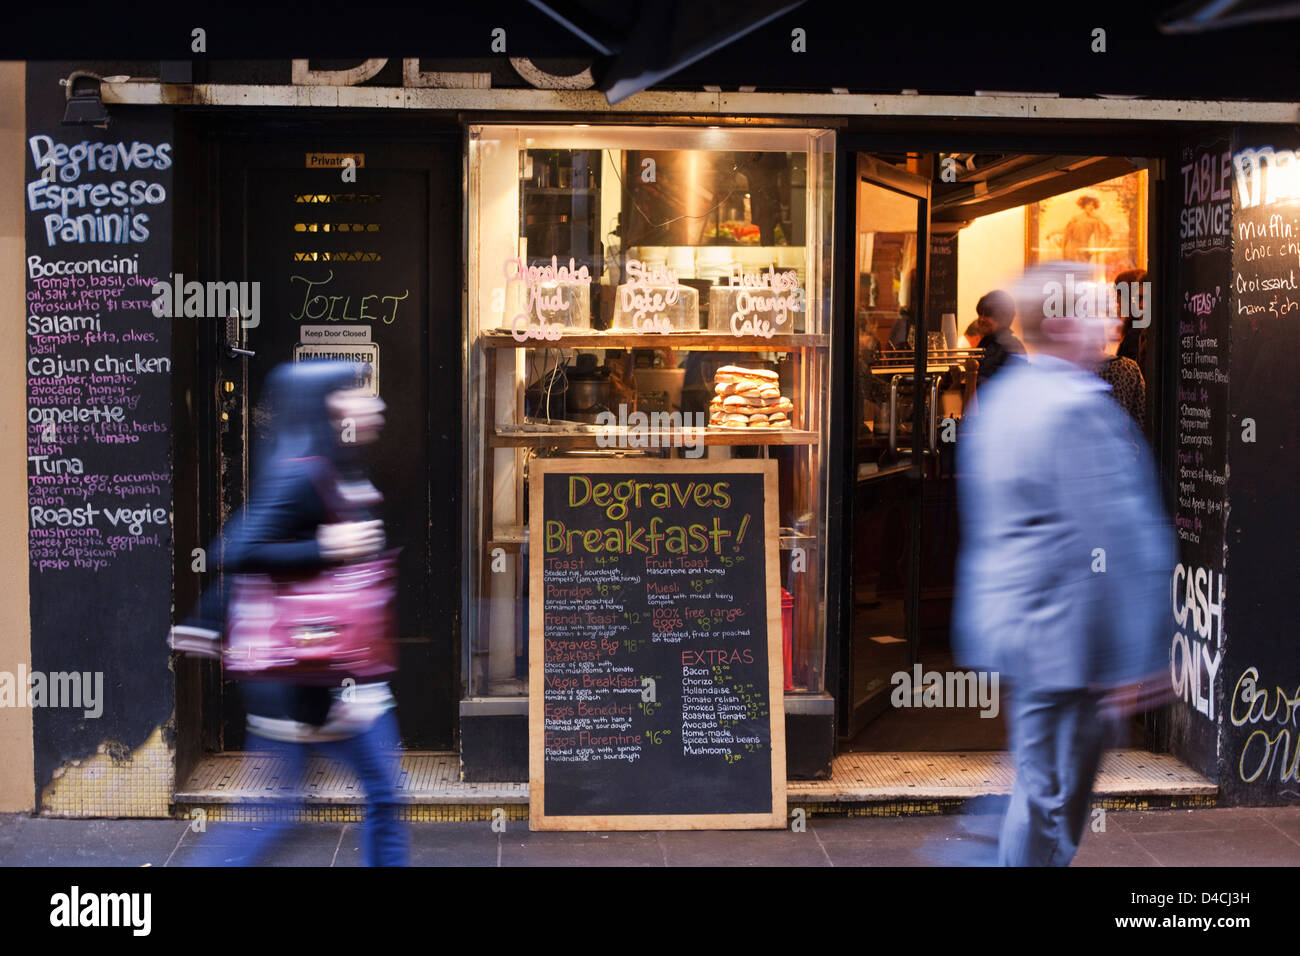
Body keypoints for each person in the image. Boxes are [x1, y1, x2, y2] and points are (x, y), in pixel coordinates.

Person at [951, 261, 1175, 867]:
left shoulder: (1005, 398)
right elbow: (1107, 537)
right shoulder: (1076, 407)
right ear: (1066, 320)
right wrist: (1134, 656)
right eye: (1100, 307)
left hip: (1021, 628)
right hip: (1069, 637)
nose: (1112, 319)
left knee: (1039, 781)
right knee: (1051, 801)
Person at [175, 360, 409, 867]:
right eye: (357, 394)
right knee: (285, 809)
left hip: (335, 671)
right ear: (326, 404)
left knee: (371, 796)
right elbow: (231, 552)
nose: (376, 403)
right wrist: (327, 546)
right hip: (306, 676)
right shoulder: (302, 472)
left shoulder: (335, 463)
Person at [973, 289, 1026, 387]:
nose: (981, 319)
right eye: (980, 314)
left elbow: (1012, 386)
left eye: (988, 315)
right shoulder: (985, 342)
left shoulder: (1013, 347)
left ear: (1003, 317)